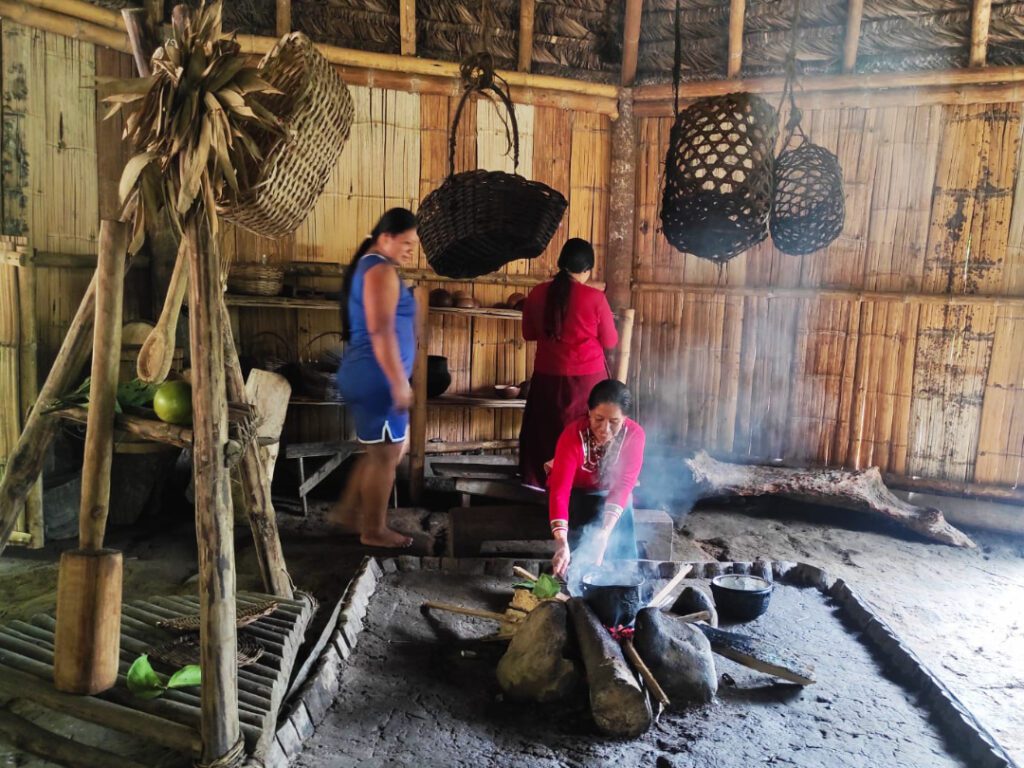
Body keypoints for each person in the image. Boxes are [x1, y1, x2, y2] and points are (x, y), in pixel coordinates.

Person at [329, 208, 419, 548]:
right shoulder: (380, 271)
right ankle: (374, 530)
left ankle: (347, 512)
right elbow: (381, 331)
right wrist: (398, 381)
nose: (410, 250)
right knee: (385, 458)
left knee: (381, 452)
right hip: (378, 378)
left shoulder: (370, 266)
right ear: (385, 238)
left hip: (368, 374)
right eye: (406, 243)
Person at [519, 238, 618, 489]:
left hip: (547, 375)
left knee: (545, 429)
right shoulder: (595, 298)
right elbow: (610, 340)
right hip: (587, 381)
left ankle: (541, 481)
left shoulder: (537, 293)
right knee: (584, 431)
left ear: (561, 263)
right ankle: (581, 482)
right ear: (587, 270)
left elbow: (528, 333)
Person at [547, 379, 645, 579]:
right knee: (579, 517)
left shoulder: (635, 435)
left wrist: (605, 533)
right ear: (589, 412)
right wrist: (561, 542)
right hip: (576, 490)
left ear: (625, 418)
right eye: (598, 419)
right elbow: (560, 490)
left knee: (625, 503)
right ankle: (573, 571)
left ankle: (624, 573)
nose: (604, 429)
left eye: (614, 422)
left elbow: (623, 485)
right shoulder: (573, 434)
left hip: (609, 492)